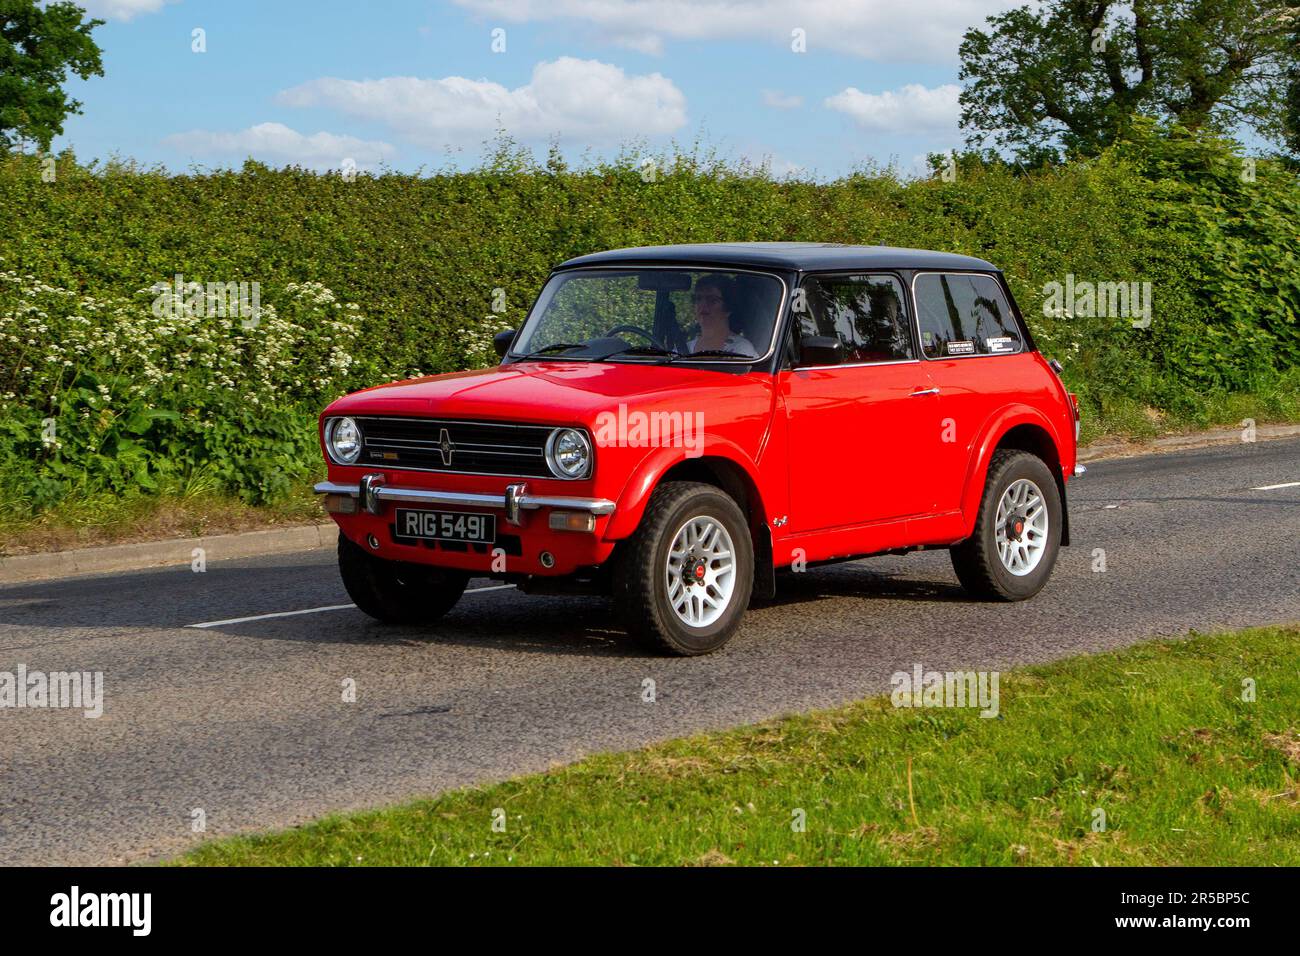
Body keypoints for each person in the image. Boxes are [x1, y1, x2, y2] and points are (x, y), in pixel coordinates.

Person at [687, 274, 758, 357]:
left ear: (728, 307)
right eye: (698, 299)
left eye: (712, 300)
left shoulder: (741, 348)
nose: (703, 305)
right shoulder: (685, 348)